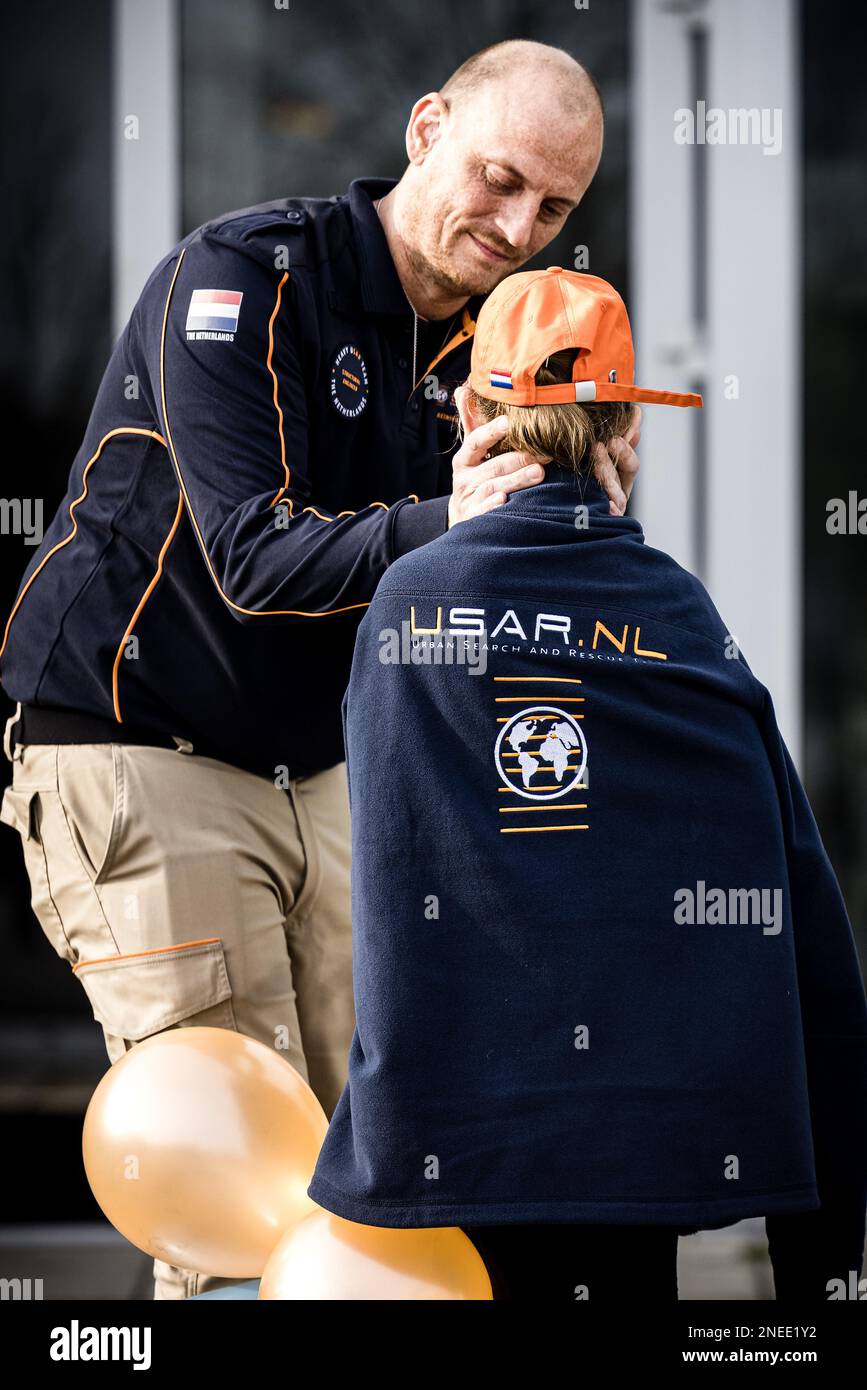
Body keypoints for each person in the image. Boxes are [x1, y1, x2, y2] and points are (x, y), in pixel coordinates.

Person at [0, 42, 640, 1299]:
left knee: (373, 1148)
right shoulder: (241, 275)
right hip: (137, 739)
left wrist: (573, 528)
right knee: (239, 1167)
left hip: (322, 761)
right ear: (425, 129)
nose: (517, 226)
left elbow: (455, 608)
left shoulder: (488, 348)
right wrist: (455, 521)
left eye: (554, 208)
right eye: (498, 178)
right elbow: (249, 557)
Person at [307, 269, 867, 1302]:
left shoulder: (410, 602)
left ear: (471, 417)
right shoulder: (680, 612)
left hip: (457, 1134)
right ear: (623, 432)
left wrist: (382, 1129)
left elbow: (389, 881)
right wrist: (821, 1259)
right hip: (643, 1145)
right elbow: (806, 921)